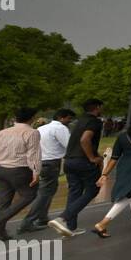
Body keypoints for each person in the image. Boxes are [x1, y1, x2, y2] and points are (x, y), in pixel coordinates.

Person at [0, 107, 41, 241]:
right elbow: (33, 154)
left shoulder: (2, 132)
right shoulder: (32, 133)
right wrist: (36, 172)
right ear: (31, 118)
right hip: (19, 169)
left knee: (3, 200)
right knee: (29, 195)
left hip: (1, 168)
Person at [49, 100, 105, 237]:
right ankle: (62, 218)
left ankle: (70, 227)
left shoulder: (78, 122)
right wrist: (92, 158)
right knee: (93, 190)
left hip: (69, 161)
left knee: (75, 191)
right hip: (83, 162)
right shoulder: (95, 121)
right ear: (97, 108)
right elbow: (85, 140)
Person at [19, 107, 75, 234]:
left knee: (47, 191)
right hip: (51, 162)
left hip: (39, 161)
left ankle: (42, 218)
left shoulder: (41, 128)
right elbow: (69, 145)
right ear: (61, 117)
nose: (69, 121)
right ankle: (27, 222)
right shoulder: (60, 128)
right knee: (45, 193)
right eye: (69, 118)